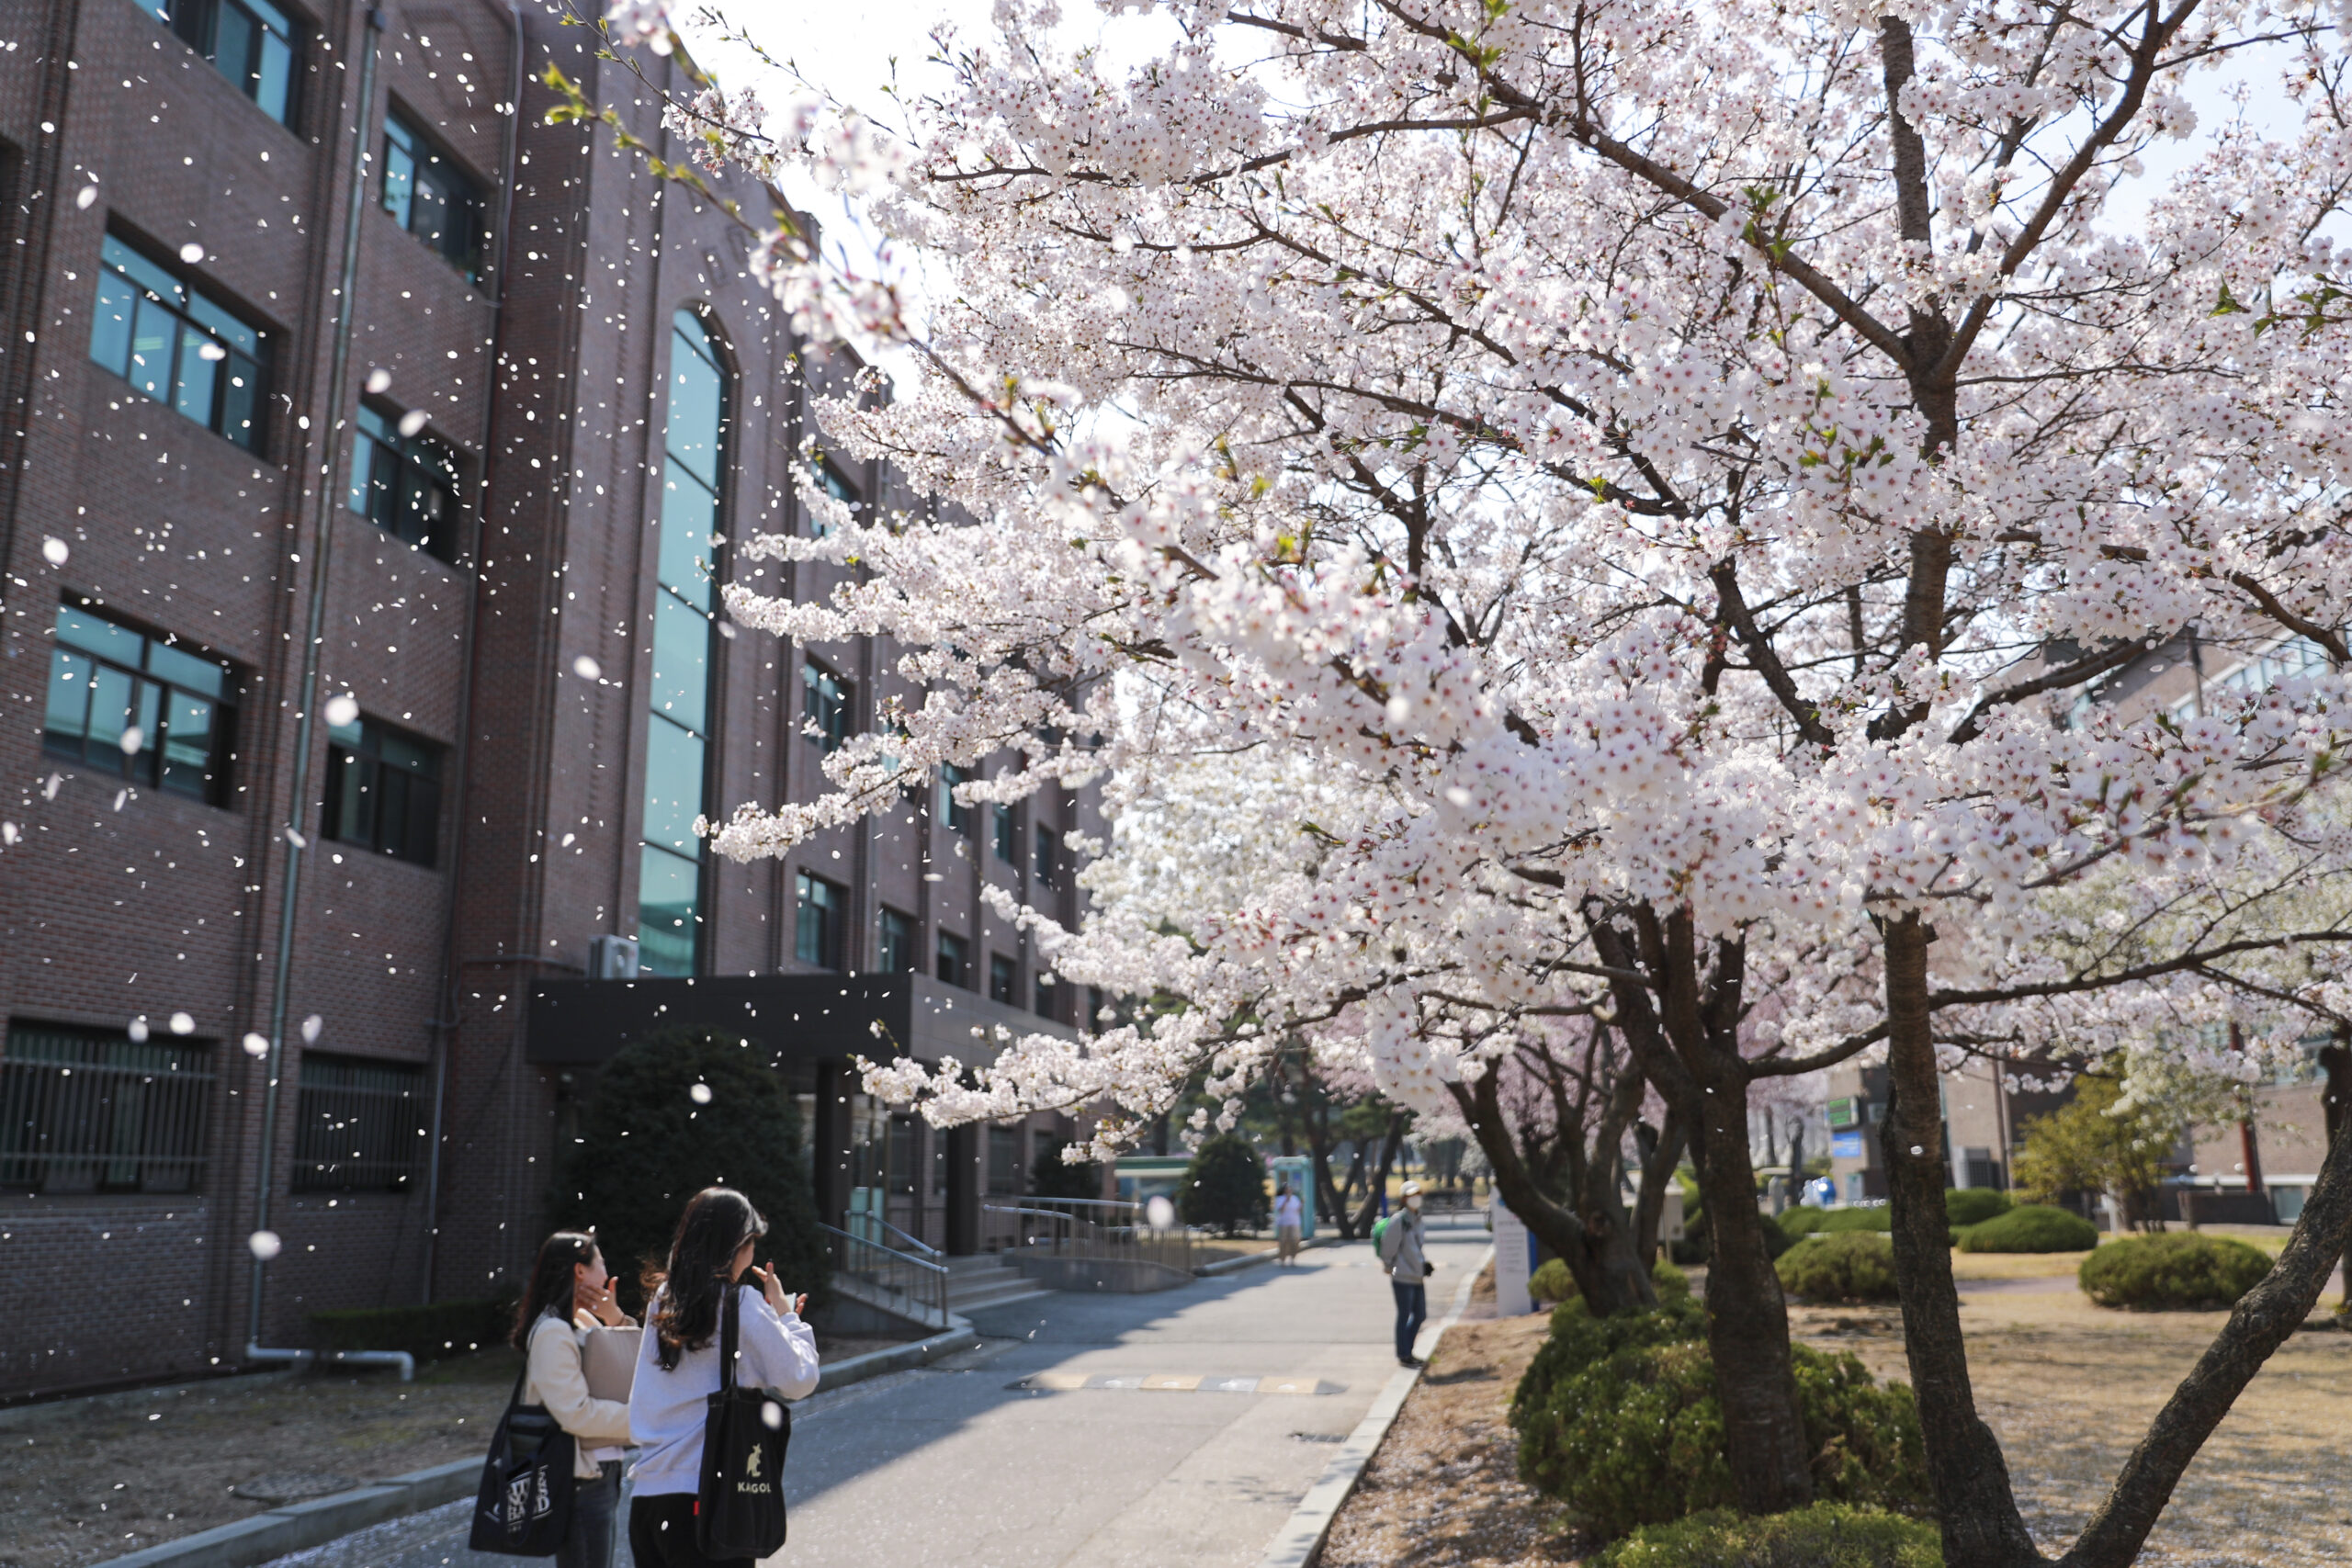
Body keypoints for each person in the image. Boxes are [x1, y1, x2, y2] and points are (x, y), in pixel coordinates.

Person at [627, 1188, 821, 1568]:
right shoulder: (741, 1303)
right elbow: (800, 1379)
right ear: (738, 1246)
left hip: (649, 1499)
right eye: (751, 1243)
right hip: (710, 1499)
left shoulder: (664, 1300)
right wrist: (786, 1317)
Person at [514, 1229, 637, 1568]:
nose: (606, 1273)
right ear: (580, 1271)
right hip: (579, 1476)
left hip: (597, 1470)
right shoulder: (553, 1330)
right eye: (602, 1264)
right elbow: (575, 1413)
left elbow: (631, 1369)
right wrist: (641, 1417)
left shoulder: (578, 1320)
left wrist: (615, 1318)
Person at [1377, 1179, 1433, 1368]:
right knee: (1404, 1315)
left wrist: (1423, 1265)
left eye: (1418, 1194)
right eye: (1411, 1195)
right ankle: (1404, 1354)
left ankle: (1407, 1350)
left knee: (1420, 1315)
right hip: (1402, 1276)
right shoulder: (1399, 1220)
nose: (1415, 1198)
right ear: (1403, 1199)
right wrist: (1389, 1266)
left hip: (1417, 1276)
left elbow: (1416, 1248)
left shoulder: (1418, 1220)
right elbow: (1388, 1248)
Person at [1273, 1182, 1304, 1264]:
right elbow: (1281, 1210)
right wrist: (1286, 1200)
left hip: (1295, 1222)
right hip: (1284, 1223)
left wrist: (1301, 1203)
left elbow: (1298, 1210)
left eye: (1290, 1188)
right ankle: (1282, 1259)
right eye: (1287, 1189)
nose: (1289, 1190)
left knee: (1295, 1240)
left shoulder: (1295, 1198)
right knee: (1283, 1241)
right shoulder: (1280, 1198)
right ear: (1284, 1190)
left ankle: (1293, 1256)